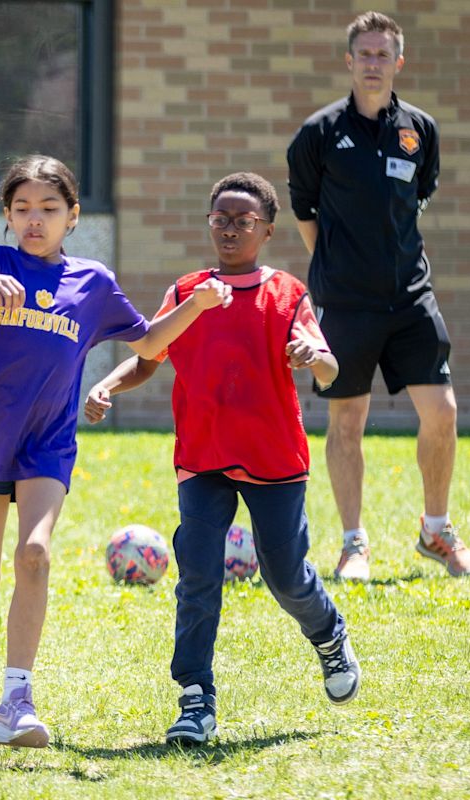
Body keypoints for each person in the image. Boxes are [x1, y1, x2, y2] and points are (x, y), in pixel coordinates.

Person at [0, 154, 233, 749]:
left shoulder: (91, 282)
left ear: (72, 216)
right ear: (8, 216)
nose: (34, 220)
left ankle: (16, 700)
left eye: (48, 209)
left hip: (49, 443)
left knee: (35, 554)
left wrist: (194, 306)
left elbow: (147, 339)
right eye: (22, 209)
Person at [84, 172, 360, 745]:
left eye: (243, 221)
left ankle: (329, 633)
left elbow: (331, 368)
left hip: (273, 455)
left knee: (285, 576)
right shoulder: (188, 291)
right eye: (221, 219)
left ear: (267, 229)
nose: (230, 230)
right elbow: (149, 354)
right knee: (199, 573)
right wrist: (108, 383)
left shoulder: (286, 294)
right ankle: (194, 698)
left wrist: (313, 356)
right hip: (204, 455)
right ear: (209, 223)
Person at [286, 11, 470, 582]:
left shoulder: (420, 129)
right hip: (345, 303)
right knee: (347, 420)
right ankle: (353, 545)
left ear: (399, 62)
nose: (373, 64)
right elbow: (305, 211)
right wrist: (338, 265)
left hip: (411, 297)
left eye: (383, 55)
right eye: (364, 54)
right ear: (349, 62)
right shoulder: (319, 134)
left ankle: (436, 530)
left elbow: (418, 196)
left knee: (442, 412)